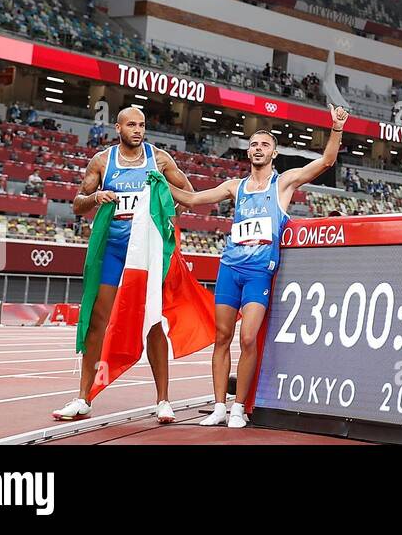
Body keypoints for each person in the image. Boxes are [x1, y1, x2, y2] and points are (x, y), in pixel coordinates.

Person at [168, 106, 348, 429]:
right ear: (248, 151)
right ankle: (219, 406)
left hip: (258, 273)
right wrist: (157, 183)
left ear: (274, 153)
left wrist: (336, 129)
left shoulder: (282, 184)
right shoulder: (234, 187)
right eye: (253, 144)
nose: (258, 149)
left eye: (264, 145)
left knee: (248, 338)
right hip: (229, 269)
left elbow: (326, 162)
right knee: (221, 337)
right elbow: (193, 200)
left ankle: (240, 407)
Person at [52, 107, 196, 423]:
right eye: (131, 124)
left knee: (153, 320)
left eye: (142, 125)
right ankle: (82, 398)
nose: (138, 130)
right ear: (118, 127)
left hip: (145, 253)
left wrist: (167, 218)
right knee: (98, 320)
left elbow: (188, 195)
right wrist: (97, 197)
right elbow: (77, 203)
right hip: (115, 250)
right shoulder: (102, 162)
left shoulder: (158, 159)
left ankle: (163, 400)